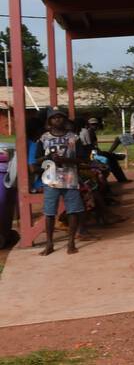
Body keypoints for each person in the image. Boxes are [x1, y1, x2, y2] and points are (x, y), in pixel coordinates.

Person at [30, 107, 84, 255]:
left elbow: (81, 159)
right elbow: (37, 160)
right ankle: (49, 243)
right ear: (49, 121)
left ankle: (71, 242)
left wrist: (66, 159)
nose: (57, 120)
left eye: (60, 117)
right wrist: (49, 158)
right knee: (49, 213)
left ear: (65, 119)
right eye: (54, 118)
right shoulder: (44, 139)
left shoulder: (74, 137)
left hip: (70, 179)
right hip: (51, 180)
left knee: (73, 211)